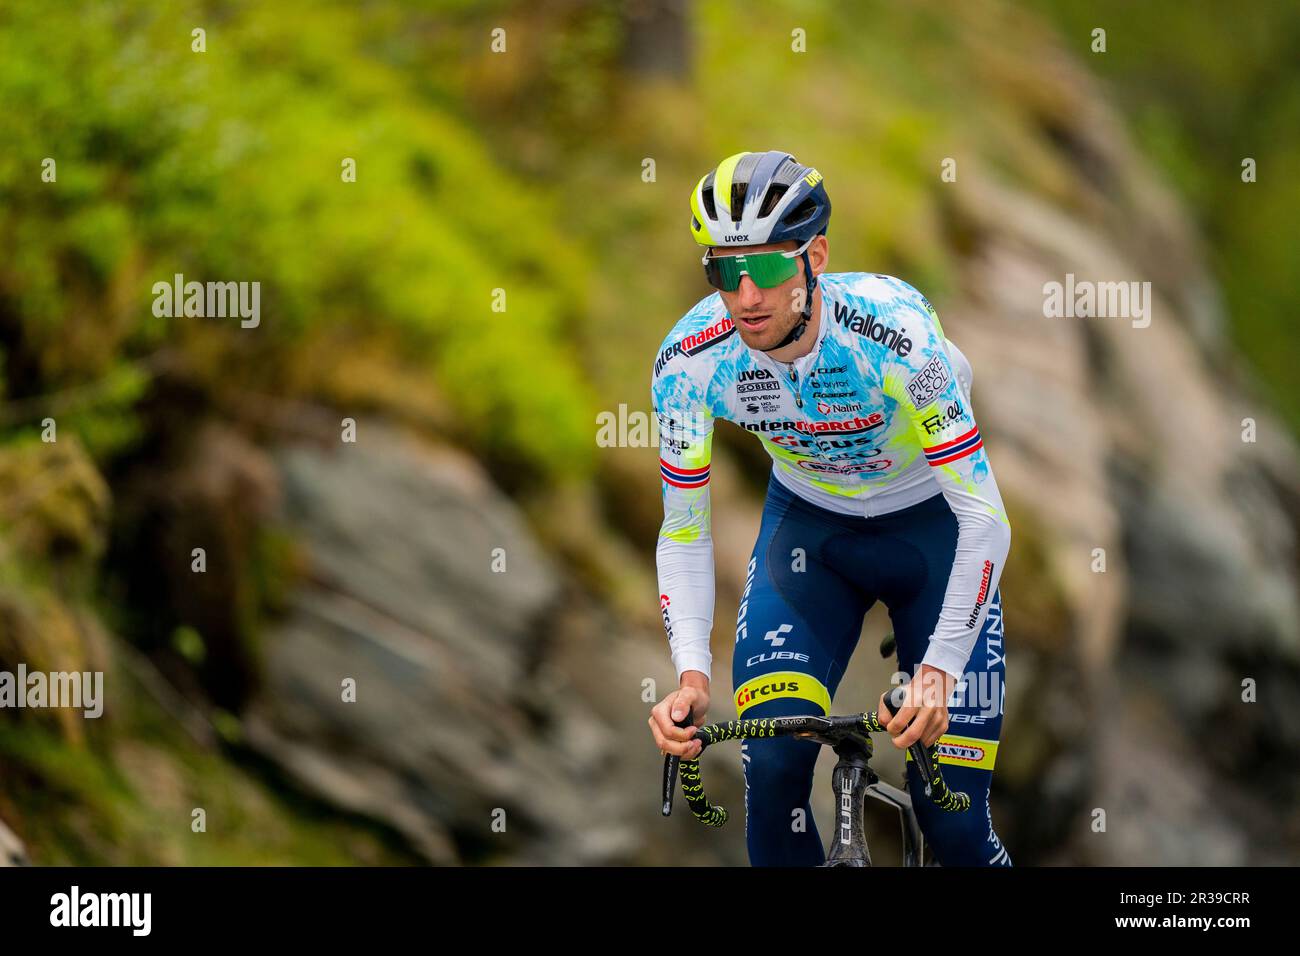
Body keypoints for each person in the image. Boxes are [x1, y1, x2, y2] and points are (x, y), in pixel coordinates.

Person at [647, 150, 1013, 866]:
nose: (747, 296)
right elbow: (684, 530)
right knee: (776, 769)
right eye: (725, 271)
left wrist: (936, 671)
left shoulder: (898, 338)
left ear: (816, 257)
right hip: (810, 540)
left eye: (772, 269)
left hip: (935, 531)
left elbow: (987, 519)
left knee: (956, 824)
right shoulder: (690, 363)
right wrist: (691, 675)